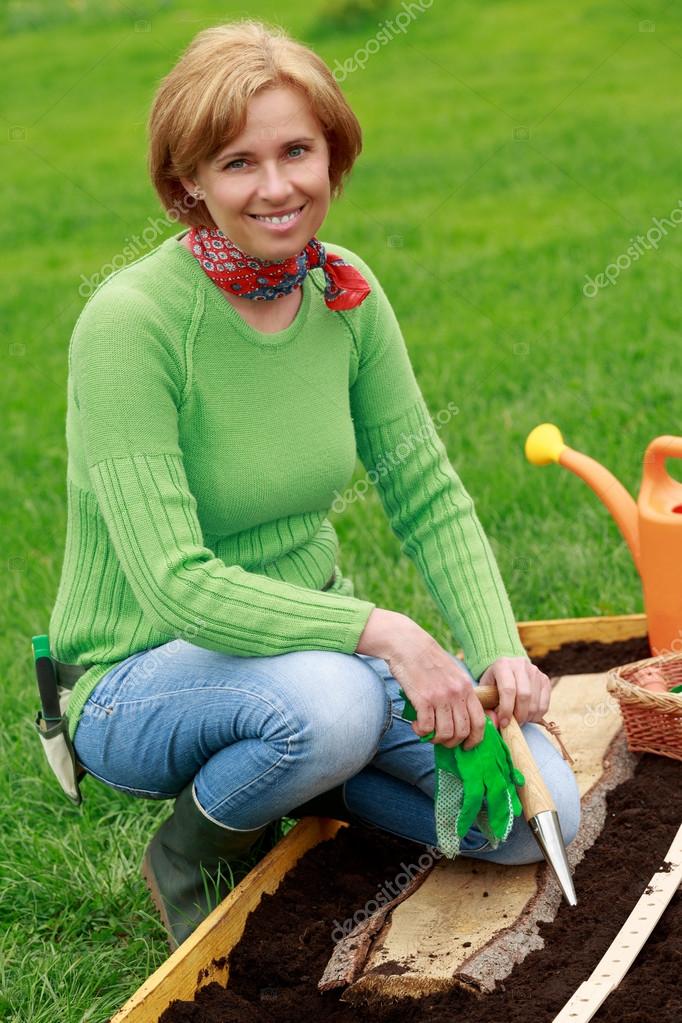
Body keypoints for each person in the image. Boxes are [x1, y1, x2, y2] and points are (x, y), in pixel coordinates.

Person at [48, 18, 580, 951]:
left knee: (536, 816)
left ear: (334, 155)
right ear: (188, 184)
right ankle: (192, 855)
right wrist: (387, 633)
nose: (278, 186)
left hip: (311, 650)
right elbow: (179, 581)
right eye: (238, 162)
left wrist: (497, 650)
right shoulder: (130, 324)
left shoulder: (345, 291)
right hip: (139, 672)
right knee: (334, 705)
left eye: (298, 150)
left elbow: (427, 492)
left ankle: (311, 780)